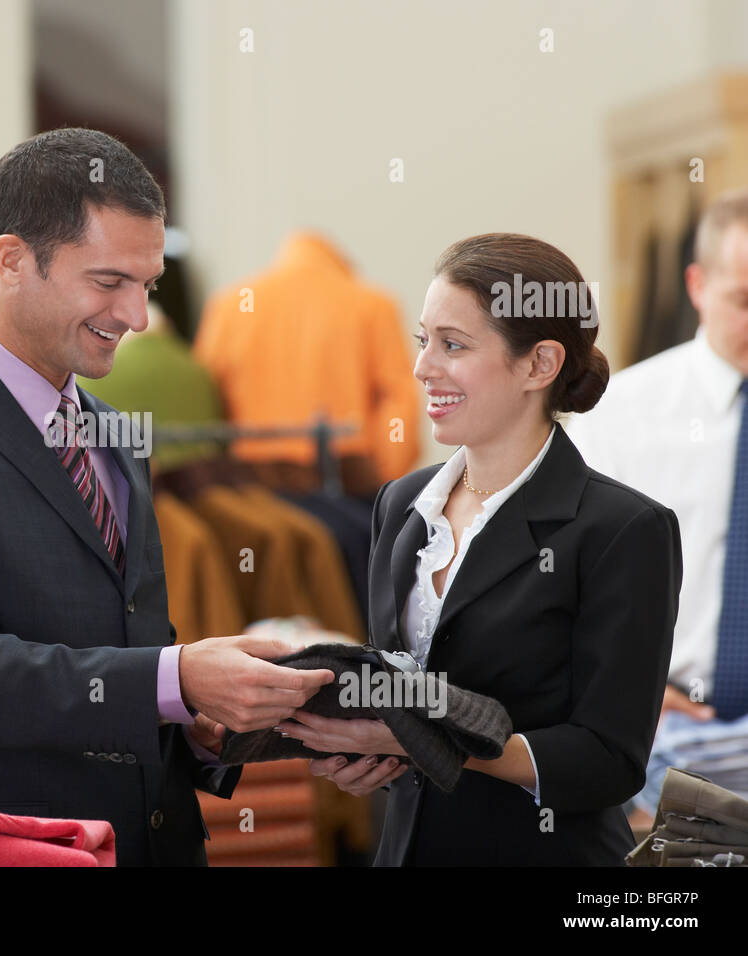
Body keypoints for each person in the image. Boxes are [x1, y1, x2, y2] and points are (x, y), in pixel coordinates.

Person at [0, 127, 334, 867]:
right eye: (109, 282)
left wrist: (200, 715)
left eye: (147, 284)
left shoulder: (114, 432)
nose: (138, 317)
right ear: (12, 260)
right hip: (8, 855)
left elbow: (129, 650)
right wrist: (177, 675)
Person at [276, 233, 683, 865]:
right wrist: (371, 750)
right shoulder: (401, 504)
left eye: (453, 345)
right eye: (424, 340)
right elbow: (399, 683)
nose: (422, 367)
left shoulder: (623, 530)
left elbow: (609, 760)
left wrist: (421, 742)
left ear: (539, 365)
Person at [565, 189, 748, 822]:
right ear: (696, 286)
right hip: (659, 742)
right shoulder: (621, 417)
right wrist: (627, 684)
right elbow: (563, 573)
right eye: (745, 302)